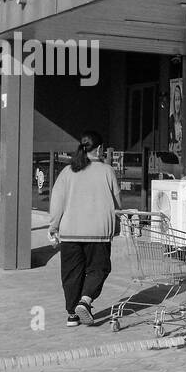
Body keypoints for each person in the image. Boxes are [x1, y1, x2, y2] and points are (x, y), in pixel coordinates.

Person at [48, 131, 121, 328]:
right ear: (99, 149)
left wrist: (53, 226)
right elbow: (117, 202)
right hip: (99, 232)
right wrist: (117, 225)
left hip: (70, 231)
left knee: (72, 273)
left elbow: (57, 201)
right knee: (99, 268)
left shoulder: (67, 171)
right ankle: (85, 300)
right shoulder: (107, 171)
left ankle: (72, 314)